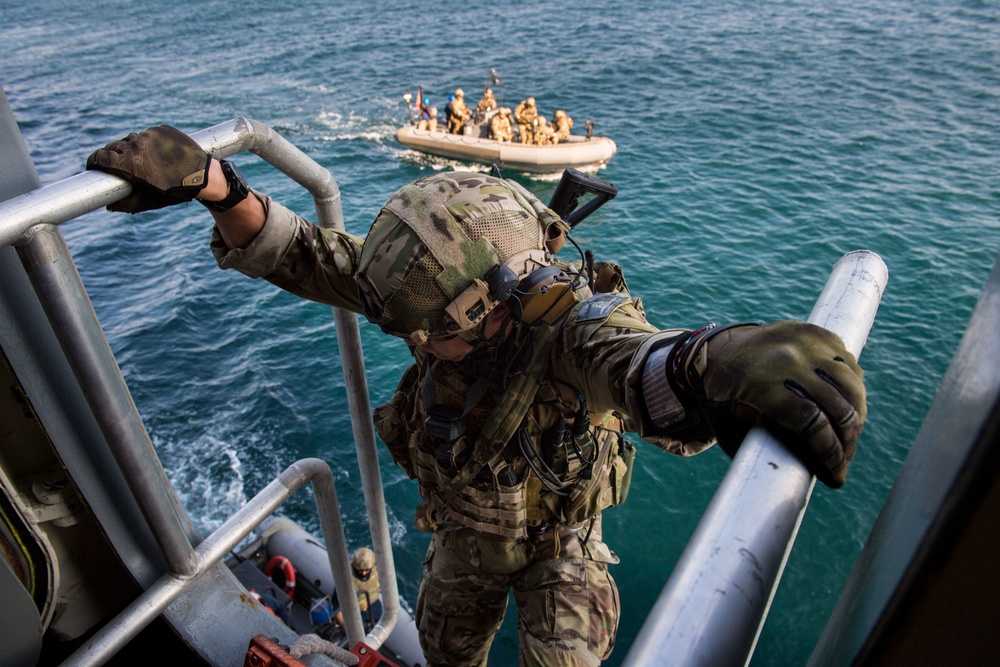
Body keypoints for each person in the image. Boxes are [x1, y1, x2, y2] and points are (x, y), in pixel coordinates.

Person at [86, 126, 867, 667]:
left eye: (431, 335)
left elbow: (642, 363)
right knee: (443, 649)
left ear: (488, 310)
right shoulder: (434, 288)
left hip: (560, 546)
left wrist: (723, 359)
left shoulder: (567, 333)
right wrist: (214, 182)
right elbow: (302, 251)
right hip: (464, 532)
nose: (416, 343)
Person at [333, 547, 382, 630]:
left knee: (377, 618)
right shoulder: (346, 579)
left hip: (372, 605)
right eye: (360, 570)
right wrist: (346, 628)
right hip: (355, 612)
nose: (363, 573)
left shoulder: (375, 571)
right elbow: (337, 607)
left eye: (366, 570)